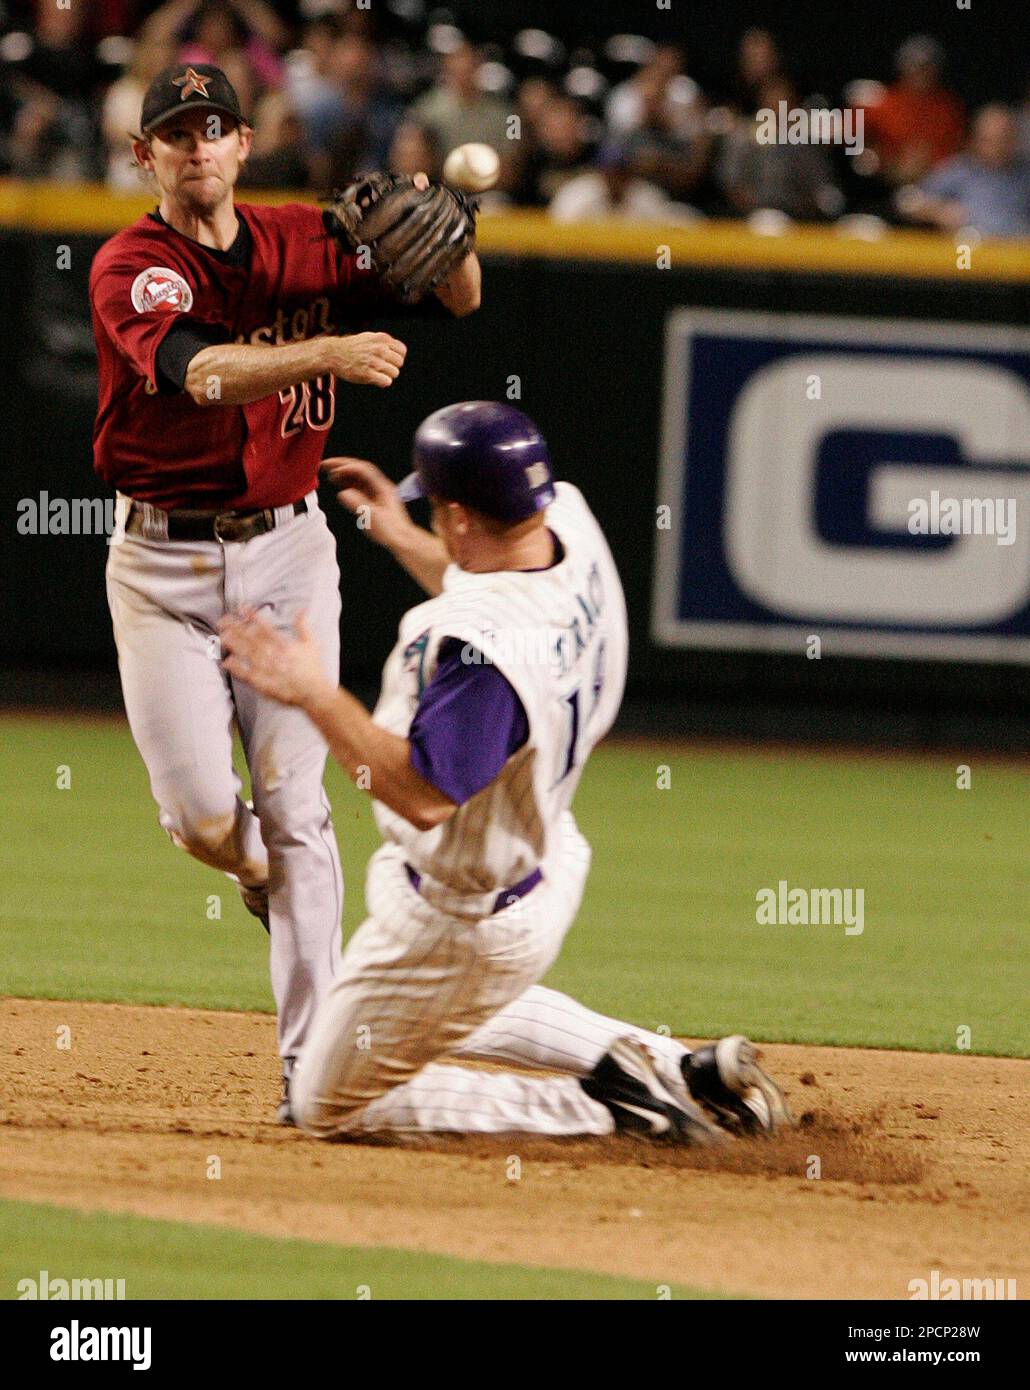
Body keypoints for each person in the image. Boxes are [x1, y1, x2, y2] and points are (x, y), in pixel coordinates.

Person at [219, 401, 791, 1143]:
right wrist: (400, 535)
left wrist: (313, 692)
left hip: (465, 918)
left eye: (436, 511)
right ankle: (685, 1071)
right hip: (546, 855)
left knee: (326, 1102)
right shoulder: (569, 529)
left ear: (459, 519)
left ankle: (615, 1107)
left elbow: (424, 795)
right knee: (432, 1008)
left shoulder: (479, 656)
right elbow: (493, 591)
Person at [88, 63, 481, 1122]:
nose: (198, 148)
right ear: (147, 156)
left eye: (215, 130)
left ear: (243, 143)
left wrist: (453, 235)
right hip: (163, 567)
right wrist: (329, 350)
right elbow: (198, 372)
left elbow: (459, 297)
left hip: (287, 553)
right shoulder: (134, 262)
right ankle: (255, 868)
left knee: (302, 809)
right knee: (205, 820)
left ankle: (315, 1078)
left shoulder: (306, 239)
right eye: (176, 134)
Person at [900, 104, 1030, 238]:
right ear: (975, 139)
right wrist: (939, 211)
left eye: (1003, 139)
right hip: (970, 253)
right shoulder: (960, 170)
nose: (996, 147)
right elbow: (907, 202)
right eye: (989, 140)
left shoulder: (1025, 172)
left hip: (1018, 252)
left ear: (1015, 139)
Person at [862, 34, 964, 187]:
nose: (920, 73)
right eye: (915, 66)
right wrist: (884, 161)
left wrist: (928, 165)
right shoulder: (882, 101)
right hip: (885, 186)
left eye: (927, 67)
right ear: (902, 67)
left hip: (937, 186)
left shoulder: (949, 107)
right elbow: (849, 137)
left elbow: (958, 152)